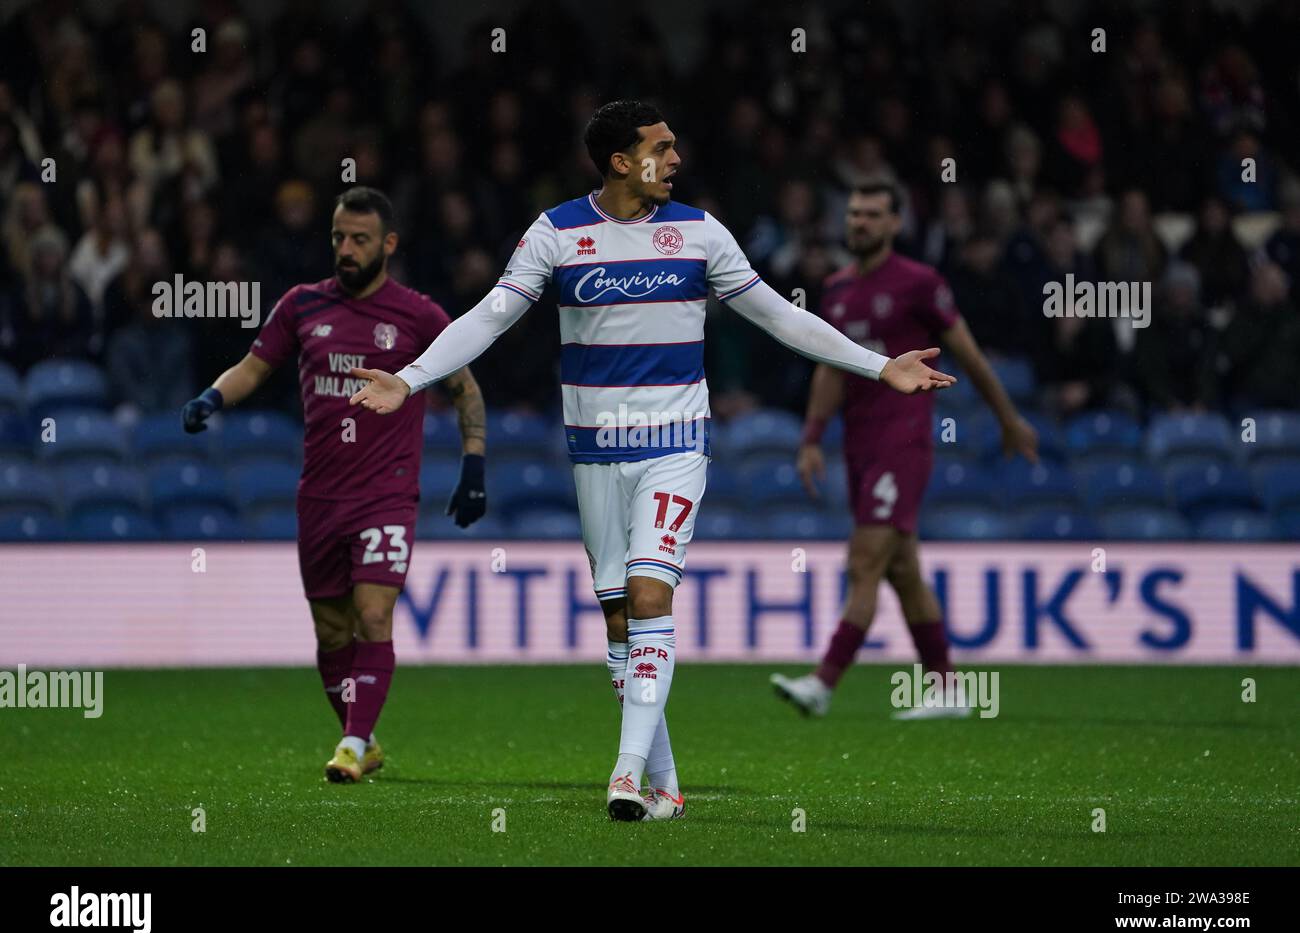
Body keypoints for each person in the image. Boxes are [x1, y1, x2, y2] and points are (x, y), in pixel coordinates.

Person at [347, 101, 954, 820]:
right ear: (619, 161)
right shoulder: (557, 233)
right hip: (594, 453)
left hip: (675, 443)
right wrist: (412, 377)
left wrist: (879, 366)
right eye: (660, 149)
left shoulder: (699, 233)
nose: (675, 160)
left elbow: (780, 317)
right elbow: (490, 316)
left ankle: (627, 775)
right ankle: (666, 786)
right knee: (617, 624)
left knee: (648, 599)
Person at [180, 187, 488, 782]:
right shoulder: (301, 306)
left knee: (373, 616)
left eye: (360, 240)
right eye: (338, 239)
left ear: (389, 245)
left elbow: (465, 388)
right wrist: (214, 396)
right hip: (319, 495)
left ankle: (348, 744)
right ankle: (364, 739)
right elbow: (254, 365)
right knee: (330, 631)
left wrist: (473, 465)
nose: (346, 250)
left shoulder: (419, 315)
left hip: (386, 494)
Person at [770, 179, 1038, 719]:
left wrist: (1008, 418)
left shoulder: (920, 283)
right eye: (853, 214)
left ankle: (823, 683)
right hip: (858, 446)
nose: (860, 223)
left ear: (896, 223)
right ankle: (950, 692)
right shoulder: (837, 290)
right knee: (903, 572)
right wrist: (811, 439)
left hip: (904, 444)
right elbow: (829, 367)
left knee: (865, 560)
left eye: (872, 214)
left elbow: (968, 353)